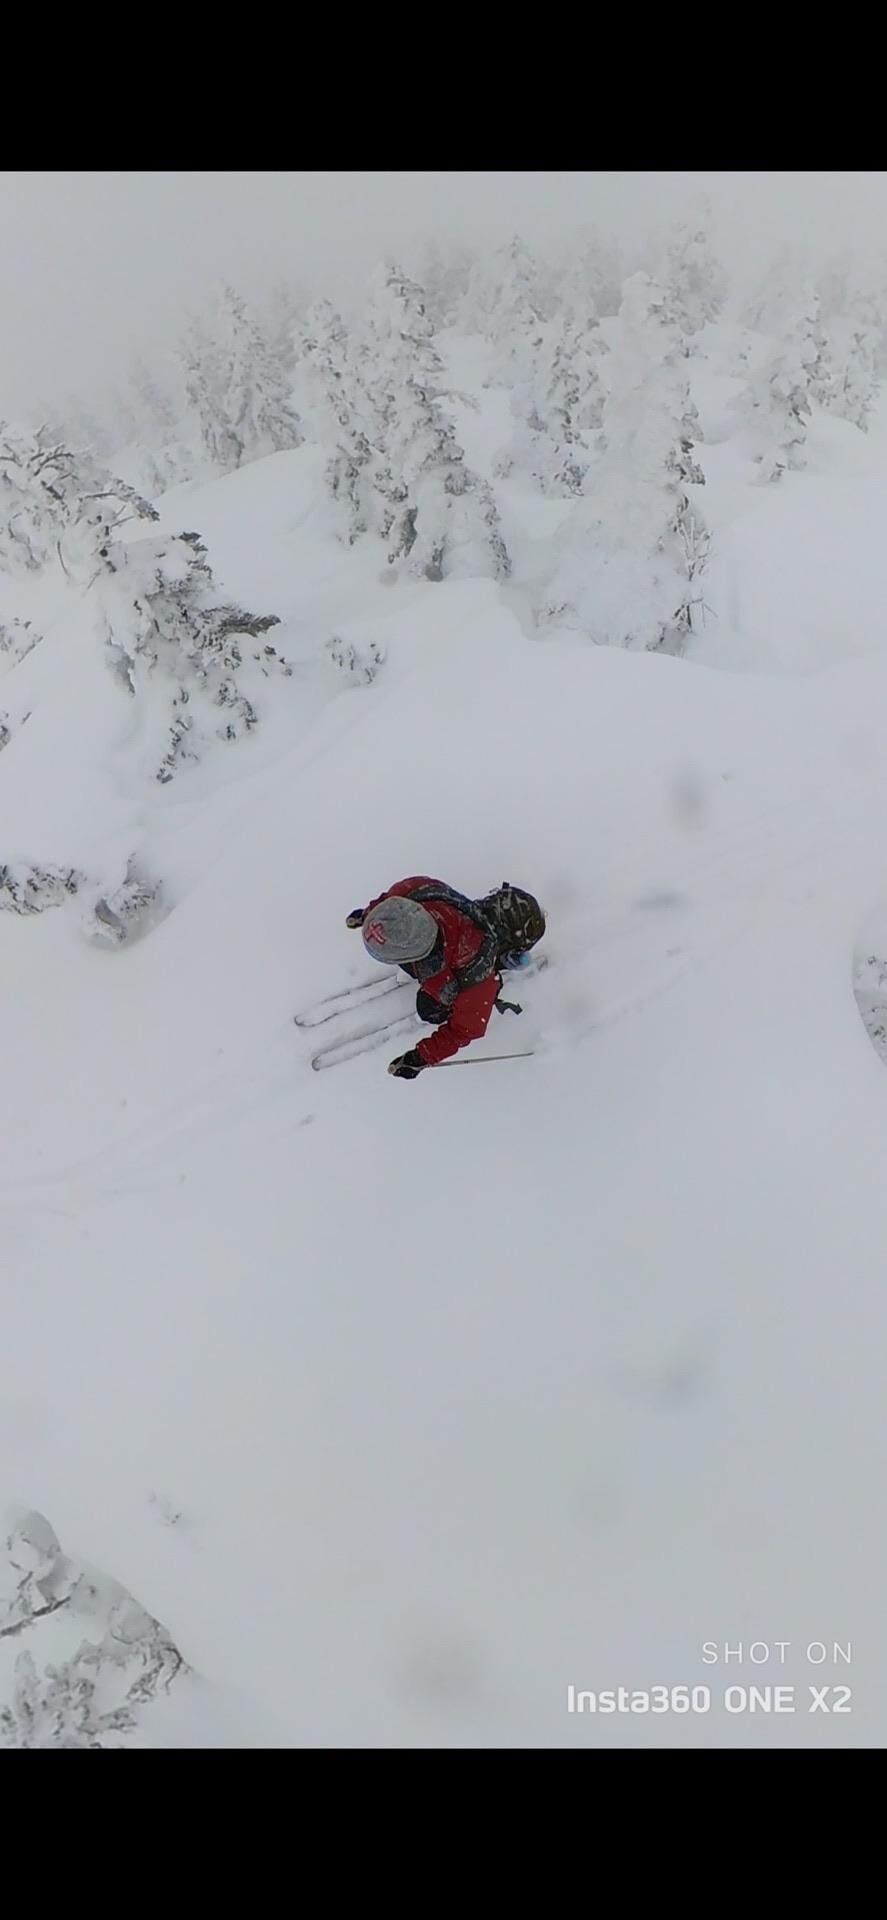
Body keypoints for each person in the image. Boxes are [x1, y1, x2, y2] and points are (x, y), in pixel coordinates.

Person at [345, 877, 545, 1078]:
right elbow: (389, 905)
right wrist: (369, 915)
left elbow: (465, 1030)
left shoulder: (476, 972)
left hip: (467, 954)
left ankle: (502, 959)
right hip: (454, 933)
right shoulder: (416, 890)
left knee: (430, 1009)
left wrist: (420, 1058)